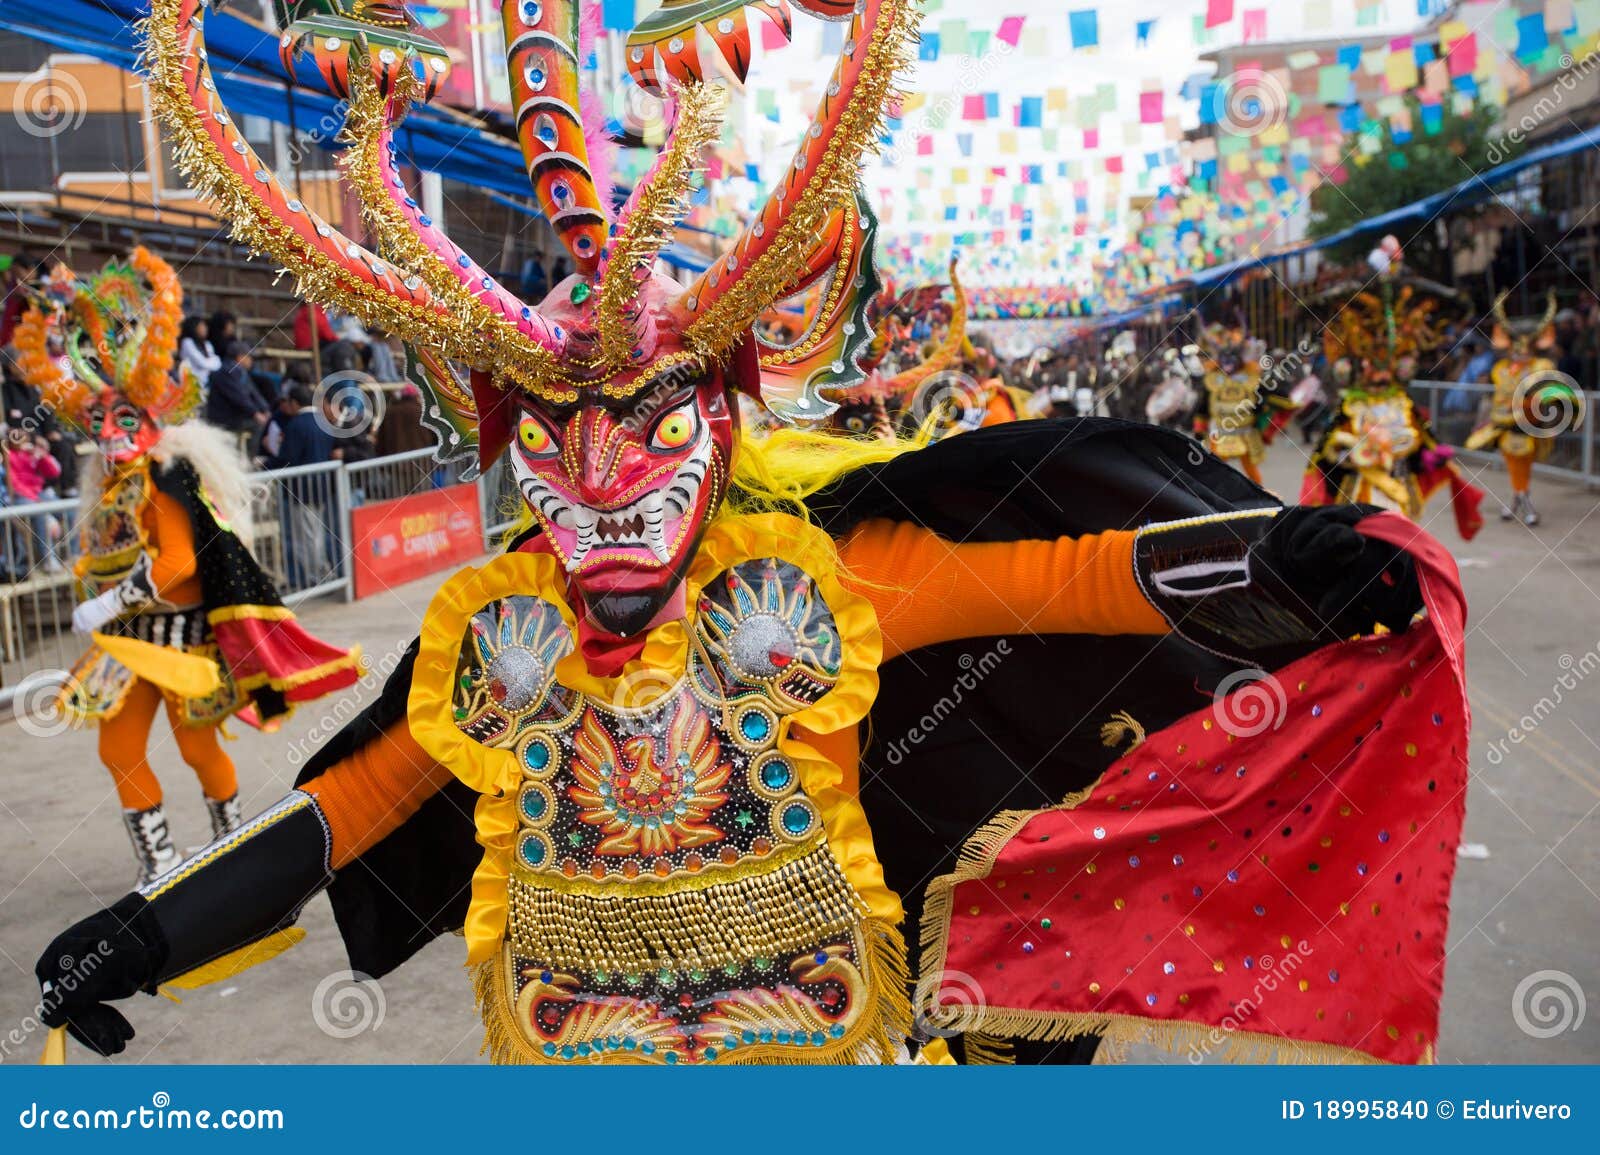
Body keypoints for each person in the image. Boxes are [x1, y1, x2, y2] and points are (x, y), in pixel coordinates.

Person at [44, 0, 1466, 1069]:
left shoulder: (831, 573)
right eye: (551, 434)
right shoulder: (503, 628)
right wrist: (147, 934)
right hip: (578, 1057)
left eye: (651, 426)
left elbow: (1078, 572)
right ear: (502, 442)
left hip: (816, 1047)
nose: (599, 471)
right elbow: (342, 810)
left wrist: (1290, 562)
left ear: (721, 419)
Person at [9, 246, 362, 883]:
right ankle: (161, 861)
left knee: (198, 747)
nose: (110, 430)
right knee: (117, 747)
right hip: (129, 642)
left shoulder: (166, 478)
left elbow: (176, 562)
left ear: (151, 417)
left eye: (124, 417)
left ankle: (230, 847)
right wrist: (102, 590)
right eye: (98, 419)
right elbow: (118, 555)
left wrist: (108, 602)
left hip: (181, 638)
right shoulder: (112, 484)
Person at [1465, 293, 1585, 526]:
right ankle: (1520, 499)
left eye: (1525, 347)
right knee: (1511, 463)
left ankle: (1520, 500)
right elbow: (1498, 397)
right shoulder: (1501, 369)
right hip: (1504, 425)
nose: (1520, 352)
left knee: (1523, 462)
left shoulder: (1542, 367)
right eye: (1516, 347)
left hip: (1529, 426)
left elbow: (1551, 394)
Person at [202, 340, 270, 436]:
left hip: (236, 415)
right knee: (257, 425)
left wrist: (265, 409)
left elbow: (254, 392)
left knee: (268, 422)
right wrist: (255, 414)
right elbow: (239, 397)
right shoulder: (226, 372)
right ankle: (251, 452)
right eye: (249, 357)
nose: (251, 360)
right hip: (224, 418)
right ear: (240, 357)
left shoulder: (240, 371)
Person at [178, 315, 221, 387]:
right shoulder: (187, 342)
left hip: (206, 383)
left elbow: (218, 364)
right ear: (193, 328)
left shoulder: (207, 344)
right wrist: (210, 361)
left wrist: (208, 362)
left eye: (205, 326)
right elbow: (202, 363)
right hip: (192, 385)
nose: (205, 329)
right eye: (201, 326)